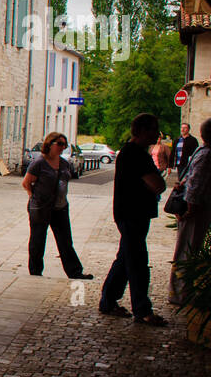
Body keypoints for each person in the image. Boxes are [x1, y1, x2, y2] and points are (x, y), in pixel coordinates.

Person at [99, 113, 168, 326]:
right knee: (137, 261)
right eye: (153, 129)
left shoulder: (132, 152)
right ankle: (142, 310)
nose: (157, 134)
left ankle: (108, 300)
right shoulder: (136, 154)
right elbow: (157, 185)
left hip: (130, 213)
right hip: (133, 213)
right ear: (141, 131)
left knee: (125, 258)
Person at [168, 117, 211, 306]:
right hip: (197, 210)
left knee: (188, 249)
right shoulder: (208, 154)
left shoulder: (206, 152)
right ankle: (180, 294)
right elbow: (195, 183)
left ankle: (182, 291)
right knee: (187, 249)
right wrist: (191, 207)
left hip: (199, 208)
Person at [22, 132, 91, 279]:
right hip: (41, 207)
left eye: (64, 145)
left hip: (60, 206)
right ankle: (35, 271)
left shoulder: (64, 163)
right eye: (59, 144)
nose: (62, 147)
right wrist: (34, 197)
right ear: (50, 144)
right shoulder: (39, 163)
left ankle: (74, 271)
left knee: (65, 240)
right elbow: (26, 183)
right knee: (38, 238)